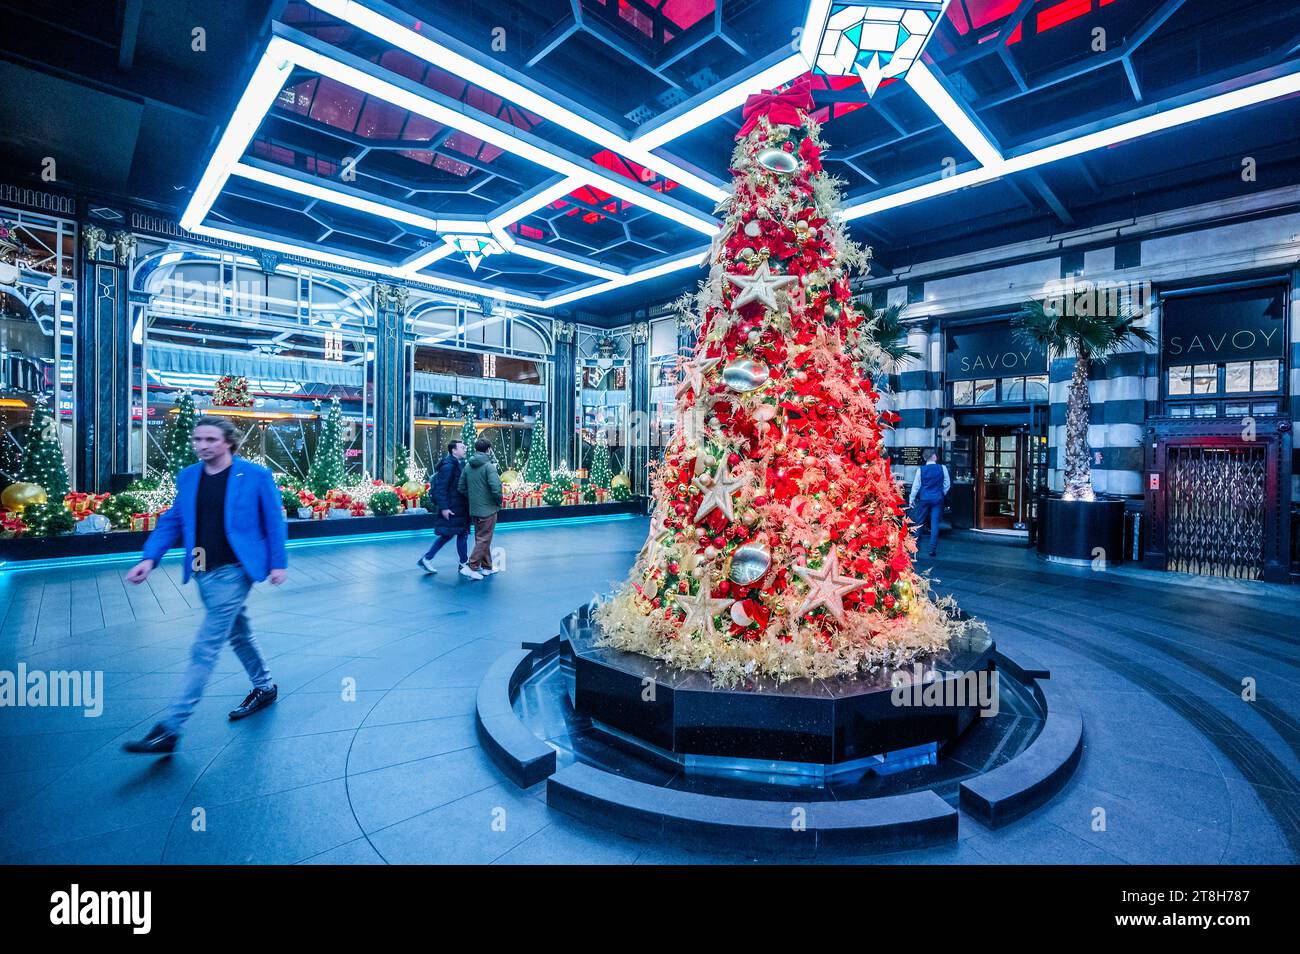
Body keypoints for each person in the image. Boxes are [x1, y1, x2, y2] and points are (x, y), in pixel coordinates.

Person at [122, 416, 287, 754]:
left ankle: (171, 727)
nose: (202, 445)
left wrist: (277, 563)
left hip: (234, 571)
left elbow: (274, 519)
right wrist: (149, 559)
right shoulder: (189, 477)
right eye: (198, 439)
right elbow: (174, 521)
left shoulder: (255, 476)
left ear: (228, 441)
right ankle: (264, 685)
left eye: (210, 439)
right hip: (201, 567)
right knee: (238, 632)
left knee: (205, 647)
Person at [418, 439, 470, 575]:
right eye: (462, 447)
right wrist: (445, 507)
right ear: (454, 450)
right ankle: (462, 563)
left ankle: (429, 558)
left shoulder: (456, 464)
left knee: (455, 534)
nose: (465, 449)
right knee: (455, 534)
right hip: (452, 508)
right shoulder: (449, 466)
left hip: (457, 507)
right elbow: (441, 489)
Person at [457, 437, 503, 580]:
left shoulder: (468, 466)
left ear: (476, 448)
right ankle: (471, 566)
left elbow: (461, 487)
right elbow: (496, 488)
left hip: (474, 509)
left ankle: (487, 567)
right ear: (488, 449)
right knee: (484, 538)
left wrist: (473, 498)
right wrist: (498, 501)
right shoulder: (489, 466)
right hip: (488, 509)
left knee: (482, 537)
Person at [909, 451, 951, 558]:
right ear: (933, 456)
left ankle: (915, 545)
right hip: (937, 498)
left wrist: (911, 498)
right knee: (935, 523)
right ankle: (932, 549)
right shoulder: (943, 468)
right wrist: (942, 493)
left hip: (924, 498)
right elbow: (947, 484)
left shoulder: (921, 470)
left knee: (919, 522)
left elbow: (916, 486)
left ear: (925, 458)